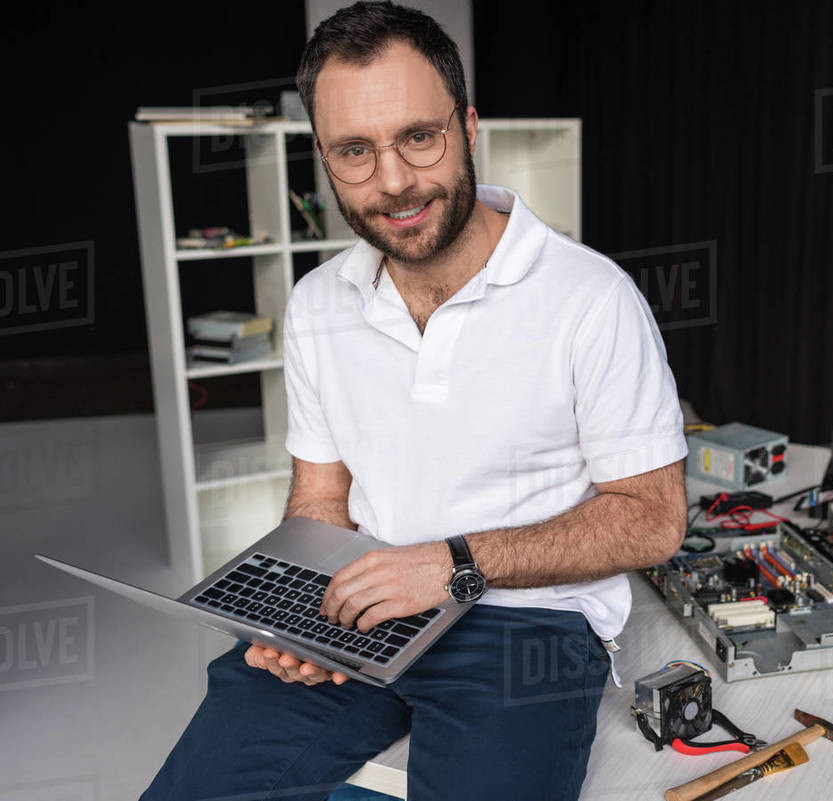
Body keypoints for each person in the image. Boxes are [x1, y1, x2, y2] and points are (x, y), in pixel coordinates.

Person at [141, 2, 687, 799]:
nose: (393, 181)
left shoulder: (592, 299)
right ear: (325, 158)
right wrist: (296, 610)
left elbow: (653, 519)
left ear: (468, 126)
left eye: (418, 137)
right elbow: (320, 498)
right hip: (357, 599)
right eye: (354, 151)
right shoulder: (317, 302)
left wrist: (454, 564)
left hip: (526, 623)